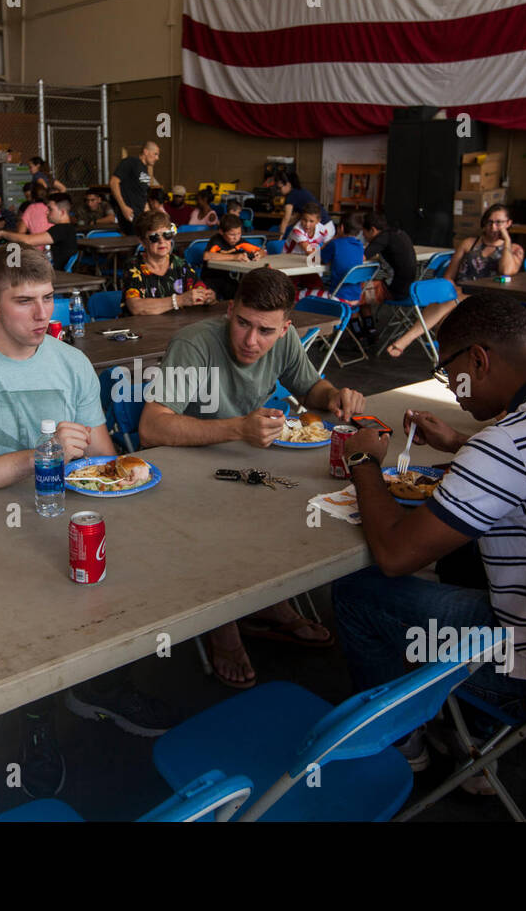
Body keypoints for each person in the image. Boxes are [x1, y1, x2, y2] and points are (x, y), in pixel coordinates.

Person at [332, 293, 526, 775]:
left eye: (446, 372)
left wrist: (363, 462)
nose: (451, 390)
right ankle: (470, 732)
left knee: (358, 593)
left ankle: (403, 744)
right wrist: (461, 444)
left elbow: (395, 554)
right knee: (463, 559)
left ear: (477, 358)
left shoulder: (506, 444)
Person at [0, 245, 176, 797]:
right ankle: (33, 719)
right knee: (27, 611)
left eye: (48, 298)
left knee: (135, 570)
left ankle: (102, 684)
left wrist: (111, 467)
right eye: (24, 302)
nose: (42, 315)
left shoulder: (72, 362)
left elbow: (103, 457)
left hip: (65, 514)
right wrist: (40, 454)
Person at [138, 267, 367, 687]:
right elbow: (152, 428)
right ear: (230, 310)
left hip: (243, 462)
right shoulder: (194, 344)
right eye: (243, 323)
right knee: (227, 517)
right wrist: (237, 428)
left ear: (285, 329)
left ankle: (267, 600)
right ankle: (222, 625)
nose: (250, 340)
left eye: (265, 330)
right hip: (186, 472)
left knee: (301, 501)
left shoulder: (285, 342)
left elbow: (310, 388)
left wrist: (333, 395)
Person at [384, 204, 522, 358]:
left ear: (508, 223)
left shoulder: (514, 249)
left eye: (499, 223)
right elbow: (449, 275)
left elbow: (507, 271)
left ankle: (407, 339)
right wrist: (451, 289)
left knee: (450, 306)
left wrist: (507, 241)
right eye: (490, 222)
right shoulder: (469, 243)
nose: (493, 227)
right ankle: (452, 360)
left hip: (488, 298)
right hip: (457, 293)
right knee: (447, 306)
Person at [297, 212, 379, 341]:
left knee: (299, 295)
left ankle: (301, 334)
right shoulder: (359, 246)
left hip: (337, 297)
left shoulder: (335, 244)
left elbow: (318, 258)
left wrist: (333, 239)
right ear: (358, 232)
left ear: (340, 228)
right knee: (321, 289)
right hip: (356, 297)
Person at [123, 210, 216, 315]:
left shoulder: (179, 264)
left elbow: (199, 288)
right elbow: (136, 307)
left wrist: (208, 296)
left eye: (167, 235)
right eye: (154, 237)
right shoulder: (134, 267)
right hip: (143, 329)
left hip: (175, 327)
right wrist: (179, 300)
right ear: (143, 242)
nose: (162, 241)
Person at [0, 192, 79, 271]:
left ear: (62, 212)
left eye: (50, 209)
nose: (46, 212)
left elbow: (27, 240)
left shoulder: (61, 229)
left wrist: (2, 233)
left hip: (55, 277)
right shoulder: (66, 228)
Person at [204, 214, 266, 300]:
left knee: (242, 296)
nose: (236, 238)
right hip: (211, 278)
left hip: (227, 279)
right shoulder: (216, 240)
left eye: (239, 233)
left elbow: (262, 251)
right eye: (232, 234)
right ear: (221, 232)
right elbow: (207, 256)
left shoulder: (240, 241)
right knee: (209, 299)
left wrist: (259, 254)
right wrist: (235, 257)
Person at [362, 210, 418, 301]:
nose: (364, 237)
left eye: (364, 233)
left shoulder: (381, 239)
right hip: (410, 288)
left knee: (355, 291)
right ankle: (367, 316)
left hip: (395, 289)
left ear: (372, 230)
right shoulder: (398, 233)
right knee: (361, 290)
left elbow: (360, 258)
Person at [110, 141, 159, 234]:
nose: (157, 158)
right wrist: (123, 207)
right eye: (155, 154)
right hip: (129, 214)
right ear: (146, 152)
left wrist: (148, 216)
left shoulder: (145, 169)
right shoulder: (130, 162)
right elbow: (113, 182)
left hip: (140, 216)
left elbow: (142, 194)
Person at [274, 172, 316, 240]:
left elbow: (286, 219)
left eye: (279, 188)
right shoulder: (299, 191)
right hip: (326, 225)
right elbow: (297, 216)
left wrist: (279, 238)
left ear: (288, 184)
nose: (278, 191)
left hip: (319, 227)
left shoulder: (291, 196)